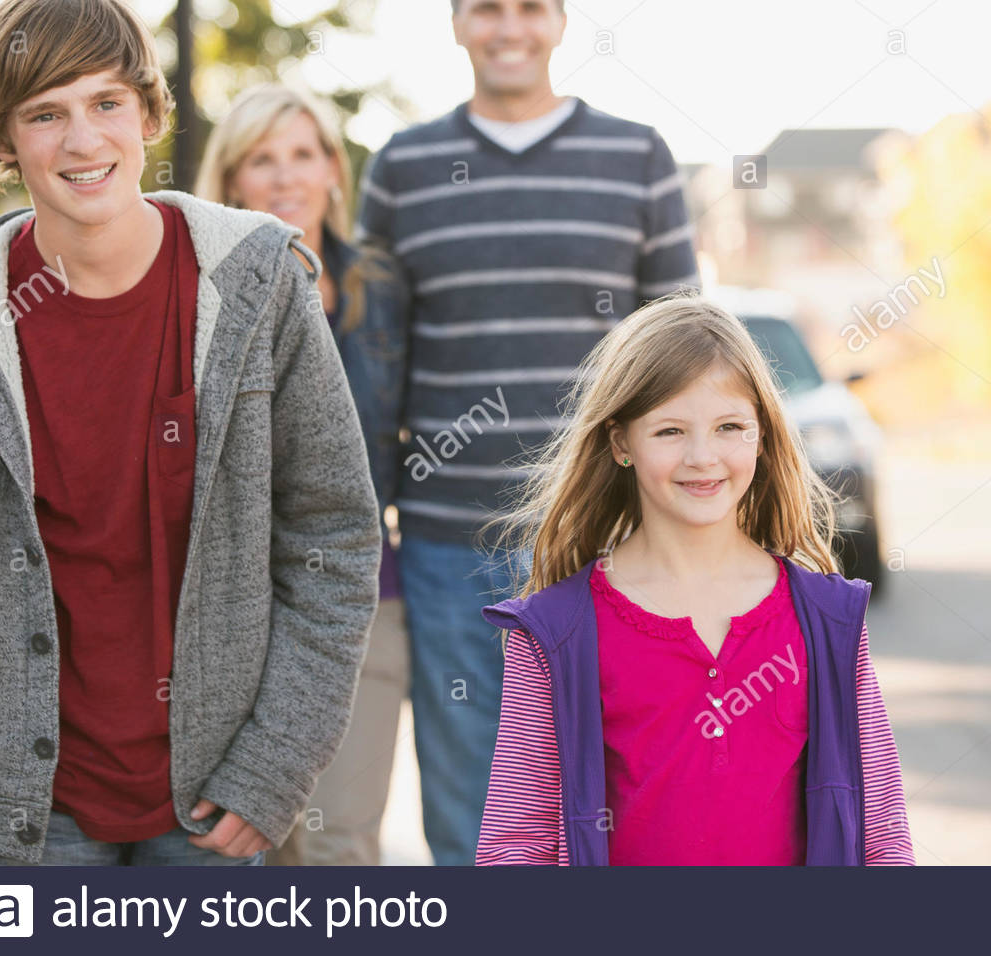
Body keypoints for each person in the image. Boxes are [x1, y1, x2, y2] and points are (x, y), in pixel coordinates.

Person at [0, 0, 379, 866]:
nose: (82, 141)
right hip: (29, 813)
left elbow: (333, 538)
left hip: (213, 804)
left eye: (106, 103)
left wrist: (274, 770)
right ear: (4, 138)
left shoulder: (258, 286)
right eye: (46, 114)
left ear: (146, 111)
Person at [356, 0, 700, 865]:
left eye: (528, 9)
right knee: (471, 801)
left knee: (630, 785)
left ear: (559, 22)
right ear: (456, 24)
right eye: (485, 9)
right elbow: (375, 360)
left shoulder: (638, 158)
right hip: (446, 543)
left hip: (612, 534)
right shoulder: (402, 167)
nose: (507, 27)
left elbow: (683, 354)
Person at [475, 294, 914, 865]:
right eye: (670, 431)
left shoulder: (827, 622)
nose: (703, 456)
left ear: (762, 433)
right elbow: (515, 843)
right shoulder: (556, 634)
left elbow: (880, 828)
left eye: (729, 426)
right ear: (619, 443)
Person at [195, 83, 409, 866]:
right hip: (225, 608)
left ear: (332, 173)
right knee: (234, 846)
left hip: (360, 599)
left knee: (340, 842)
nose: (285, 177)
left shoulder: (381, 292)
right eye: (262, 159)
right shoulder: (196, 294)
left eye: (303, 154)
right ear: (231, 183)